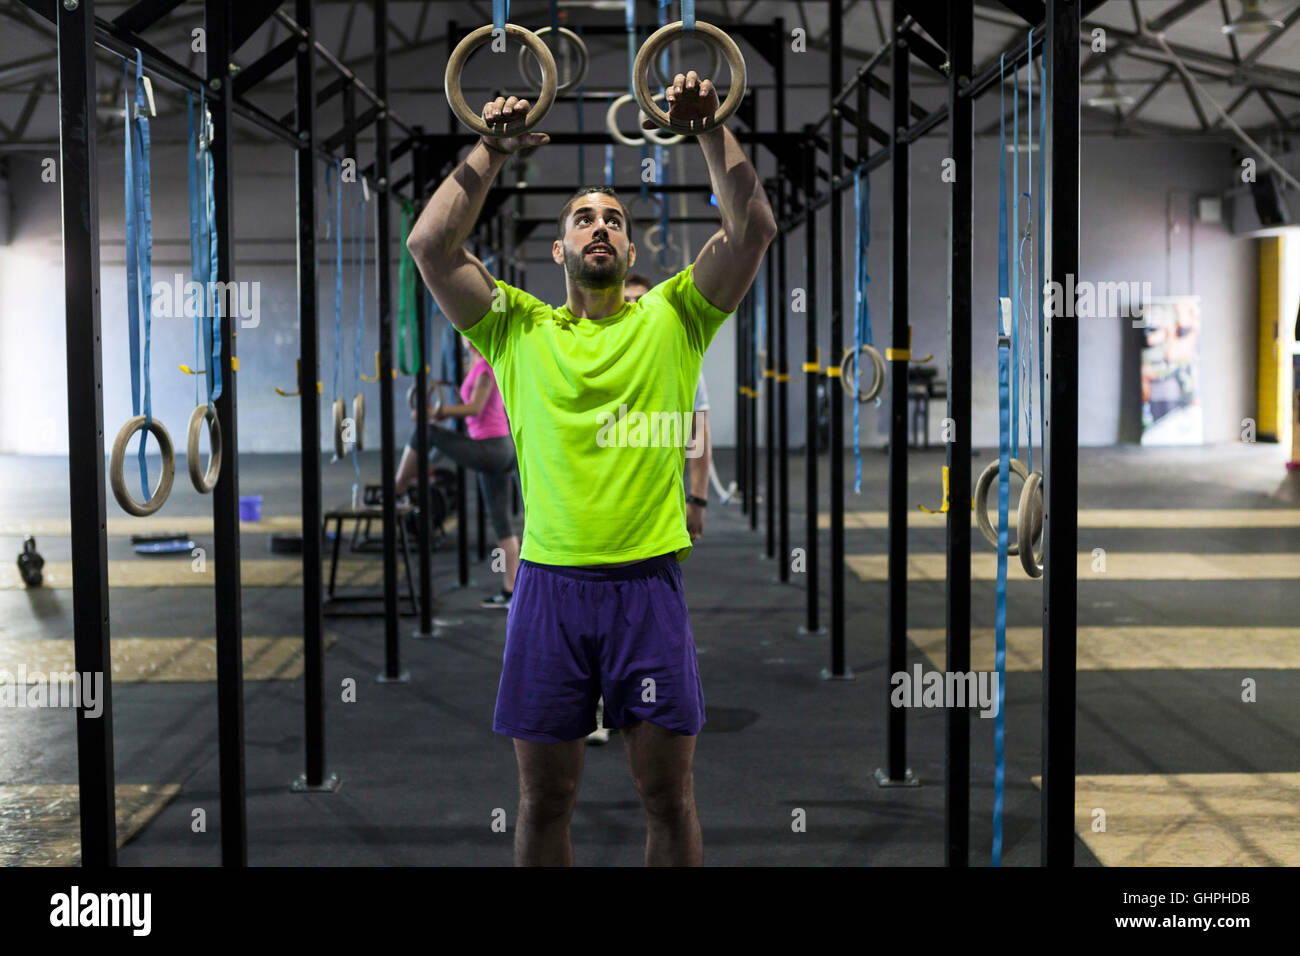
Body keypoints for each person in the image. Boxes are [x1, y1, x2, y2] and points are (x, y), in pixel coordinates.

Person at [406, 71, 776, 866]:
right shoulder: (516, 328)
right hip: (547, 589)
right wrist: (491, 150)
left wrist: (710, 129)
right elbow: (430, 247)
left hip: (647, 590)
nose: (598, 227)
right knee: (544, 801)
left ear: (633, 248)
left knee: (667, 799)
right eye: (582, 219)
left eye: (613, 218)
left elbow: (751, 233)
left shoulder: (675, 314)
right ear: (560, 248)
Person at [583, 275, 715, 747]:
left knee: (644, 627)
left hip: (653, 525)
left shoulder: (679, 357)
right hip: (591, 528)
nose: (636, 311)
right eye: (629, 302)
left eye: (643, 302)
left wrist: (696, 500)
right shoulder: (593, 358)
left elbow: (697, 439)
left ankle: (640, 703)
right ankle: (596, 709)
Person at [394, 339, 520, 608]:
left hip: (492, 448)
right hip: (495, 449)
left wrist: (436, 411)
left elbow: (474, 407)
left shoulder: (486, 365)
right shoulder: (473, 363)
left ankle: (398, 488)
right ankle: (512, 591)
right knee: (502, 524)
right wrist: (440, 408)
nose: (463, 337)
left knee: (426, 432)